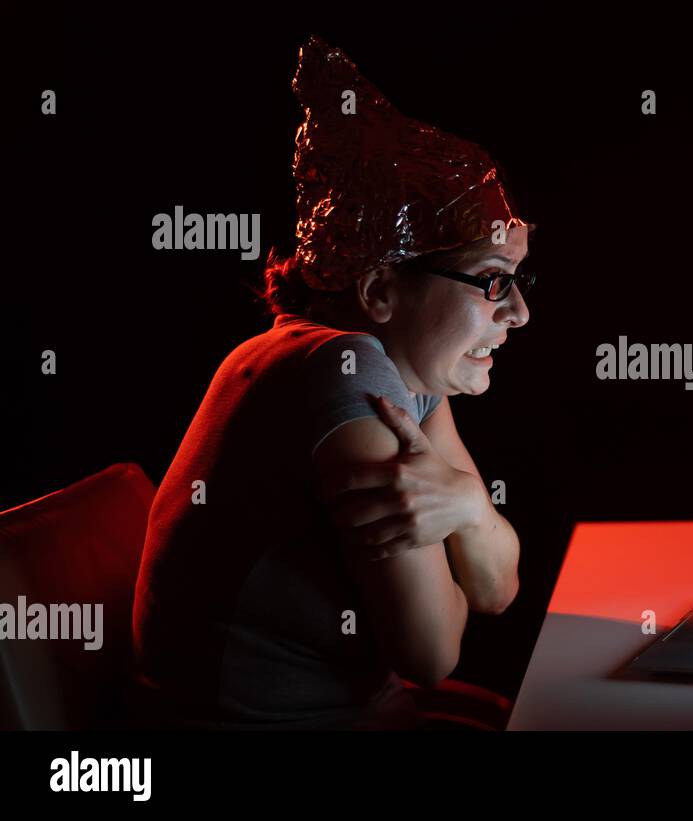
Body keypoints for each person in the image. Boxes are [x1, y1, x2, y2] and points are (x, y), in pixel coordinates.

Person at [131, 35, 532, 729]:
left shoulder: (399, 375)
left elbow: (498, 587)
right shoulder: (343, 370)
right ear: (381, 289)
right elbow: (432, 651)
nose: (520, 312)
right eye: (493, 280)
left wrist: (467, 504)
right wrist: (471, 526)